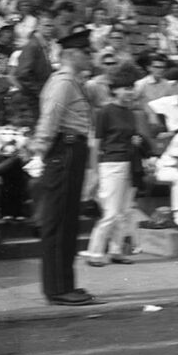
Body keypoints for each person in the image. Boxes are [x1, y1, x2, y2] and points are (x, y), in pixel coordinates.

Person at [28, 26, 101, 306]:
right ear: (71, 54)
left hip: (71, 151)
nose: (89, 56)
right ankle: (58, 289)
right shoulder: (63, 82)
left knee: (67, 221)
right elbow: (50, 118)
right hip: (64, 151)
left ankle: (64, 285)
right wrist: (39, 152)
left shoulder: (71, 81)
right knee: (59, 221)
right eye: (85, 52)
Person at [85, 61, 154, 266]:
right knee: (111, 212)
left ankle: (116, 250)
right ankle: (94, 252)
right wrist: (95, 172)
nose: (130, 92)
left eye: (132, 88)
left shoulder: (131, 114)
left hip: (129, 164)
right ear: (114, 90)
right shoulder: (104, 112)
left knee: (124, 211)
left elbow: (131, 138)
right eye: (126, 88)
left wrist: (137, 142)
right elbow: (96, 145)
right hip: (111, 165)